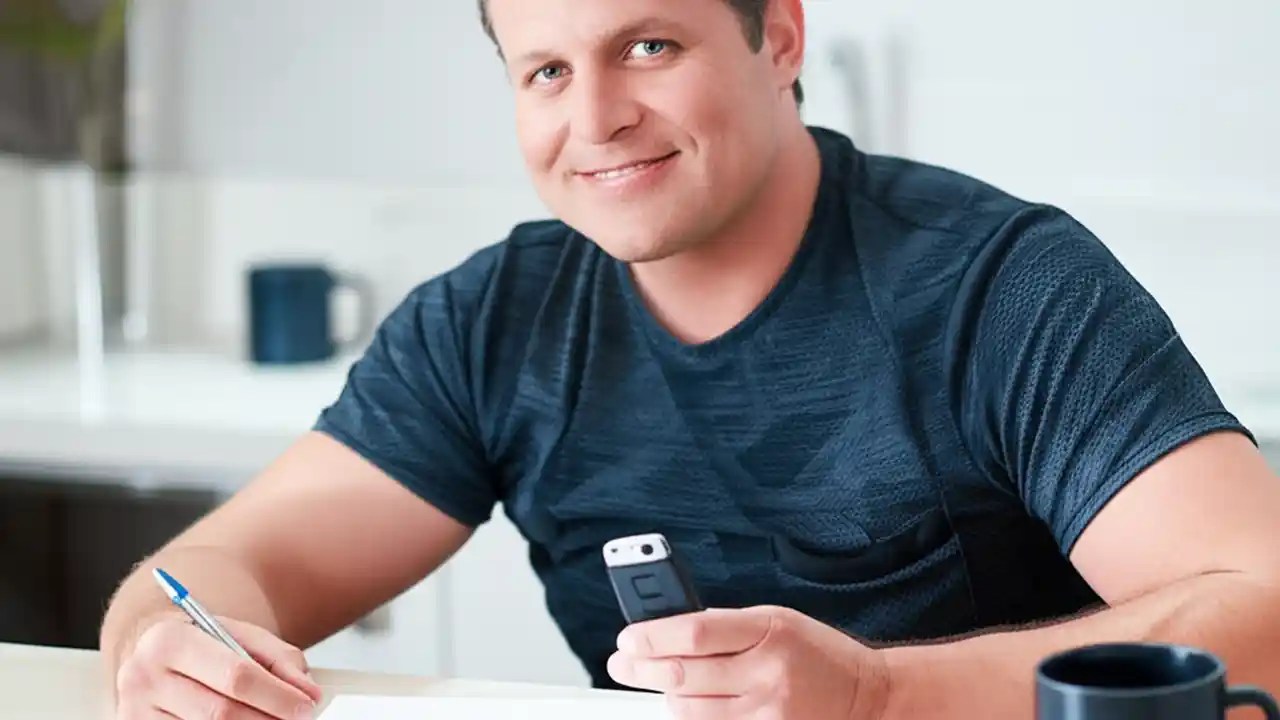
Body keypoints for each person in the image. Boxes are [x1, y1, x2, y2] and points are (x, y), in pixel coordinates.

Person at [100, 0, 1280, 718]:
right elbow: (218, 568)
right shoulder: (489, 322)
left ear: (776, 35)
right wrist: (169, 648)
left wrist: (878, 700)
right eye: (546, 71)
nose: (595, 115)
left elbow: (1263, 608)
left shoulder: (1002, 285)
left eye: (648, 44)